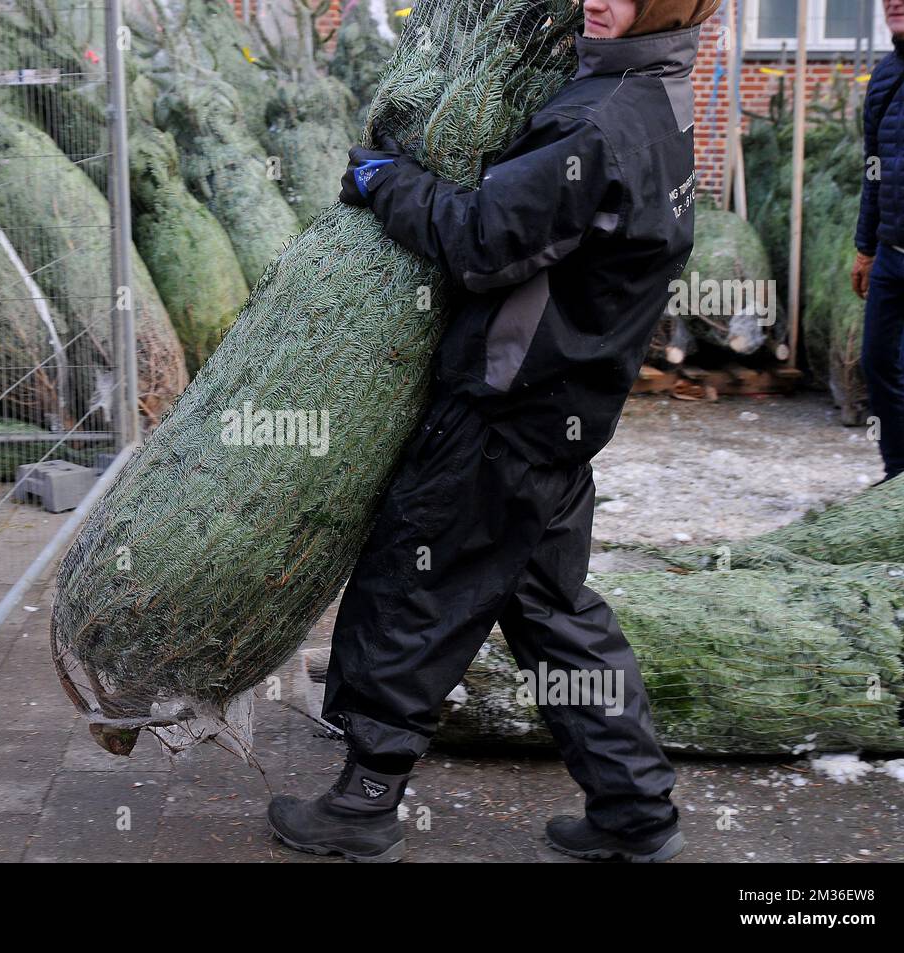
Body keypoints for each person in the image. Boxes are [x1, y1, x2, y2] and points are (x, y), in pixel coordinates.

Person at [266, 0, 722, 863]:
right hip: (565, 414)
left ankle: (364, 803)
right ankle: (636, 811)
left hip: (504, 412)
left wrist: (381, 179)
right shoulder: (656, 95)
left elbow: (483, 238)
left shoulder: (600, 119)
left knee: (415, 583)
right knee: (554, 612)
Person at [851, 0, 904, 483]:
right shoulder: (883, 77)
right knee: (878, 362)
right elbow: (873, 173)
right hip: (893, 251)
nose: (894, 1)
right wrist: (865, 248)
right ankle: (899, 481)